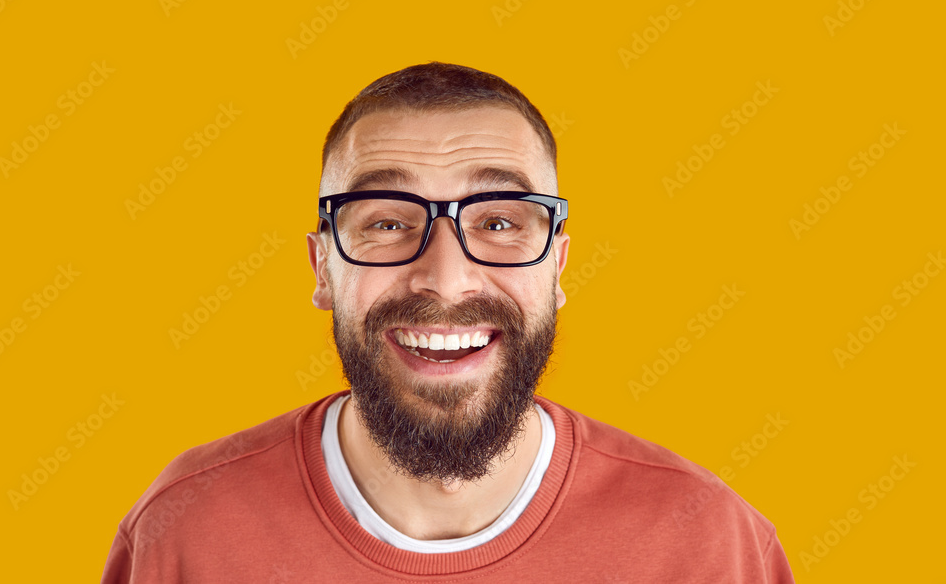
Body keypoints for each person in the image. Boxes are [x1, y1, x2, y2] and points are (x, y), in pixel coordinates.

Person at [101, 62, 795, 583]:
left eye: (499, 222)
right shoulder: (186, 530)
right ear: (322, 269)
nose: (445, 277)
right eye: (387, 223)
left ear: (557, 266)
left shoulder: (708, 542)